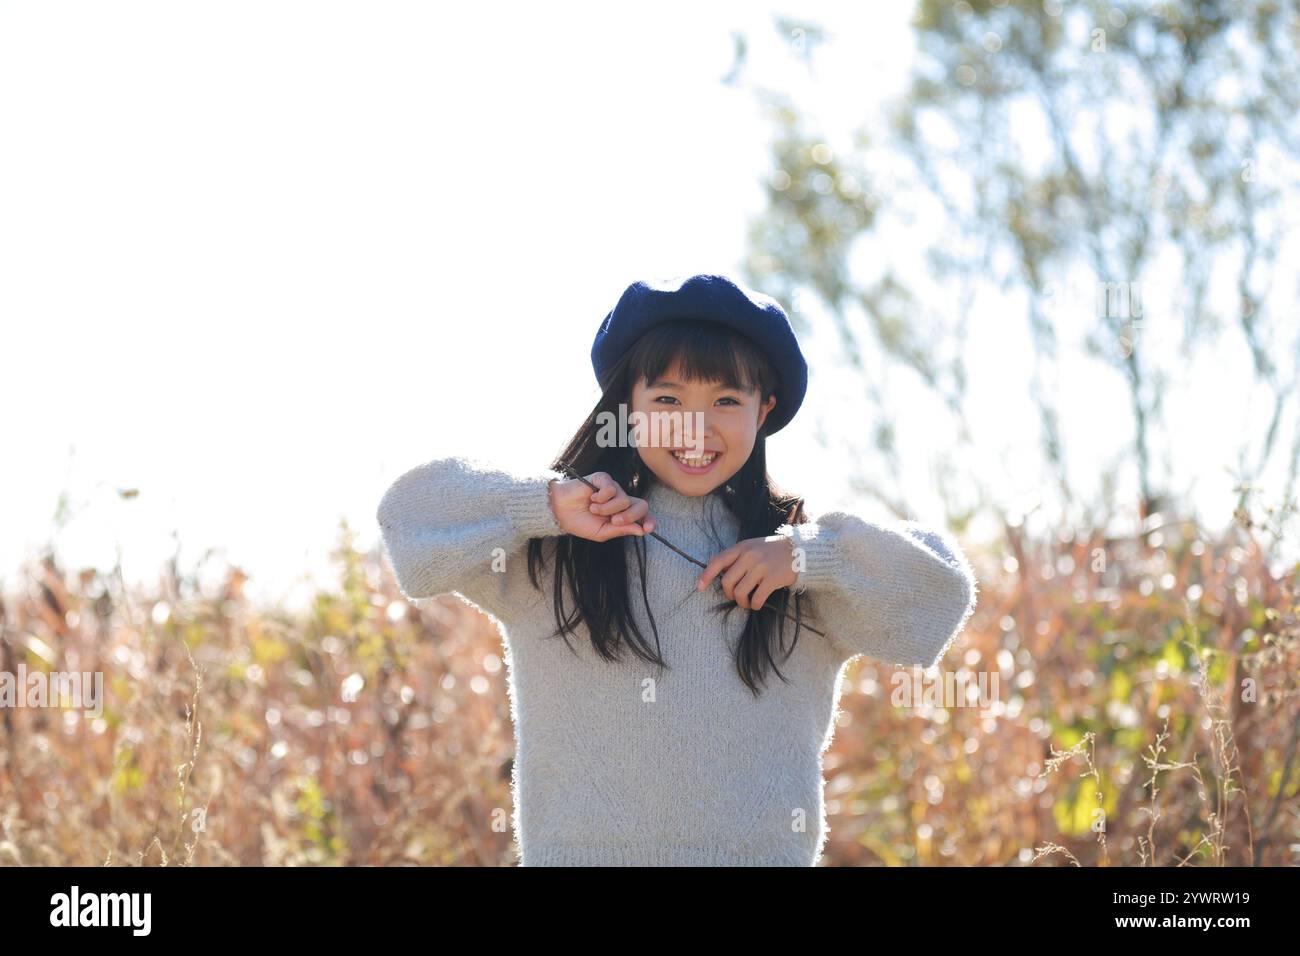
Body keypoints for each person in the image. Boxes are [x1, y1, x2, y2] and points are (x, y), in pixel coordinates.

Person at [376, 273, 978, 865]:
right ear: (627, 407)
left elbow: (941, 596)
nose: (695, 427)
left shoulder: (799, 565)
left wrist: (806, 556)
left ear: (763, 410)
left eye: (725, 401)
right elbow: (409, 521)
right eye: (667, 400)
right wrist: (544, 504)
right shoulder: (556, 549)